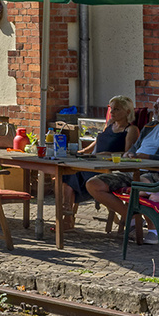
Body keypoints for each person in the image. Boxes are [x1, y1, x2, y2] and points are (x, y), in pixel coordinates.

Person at [86, 91, 159, 230]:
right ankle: (132, 218)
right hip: (134, 170)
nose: (155, 108)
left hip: (157, 174)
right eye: (155, 104)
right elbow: (134, 148)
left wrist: (148, 157)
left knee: (139, 187)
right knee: (93, 184)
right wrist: (130, 154)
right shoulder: (150, 126)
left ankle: (153, 228)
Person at [58, 95, 140, 230]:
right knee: (66, 173)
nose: (112, 112)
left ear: (127, 112)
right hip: (93, 162)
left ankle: (67, 217)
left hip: (108, 167)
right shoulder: (109, 125)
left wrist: (105, 155)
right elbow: (98, 141)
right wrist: (83, 151)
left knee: (70, 176)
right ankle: (68, 215)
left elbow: (127, 154)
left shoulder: (131, 130)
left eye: (116, 109)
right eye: (111, 109)